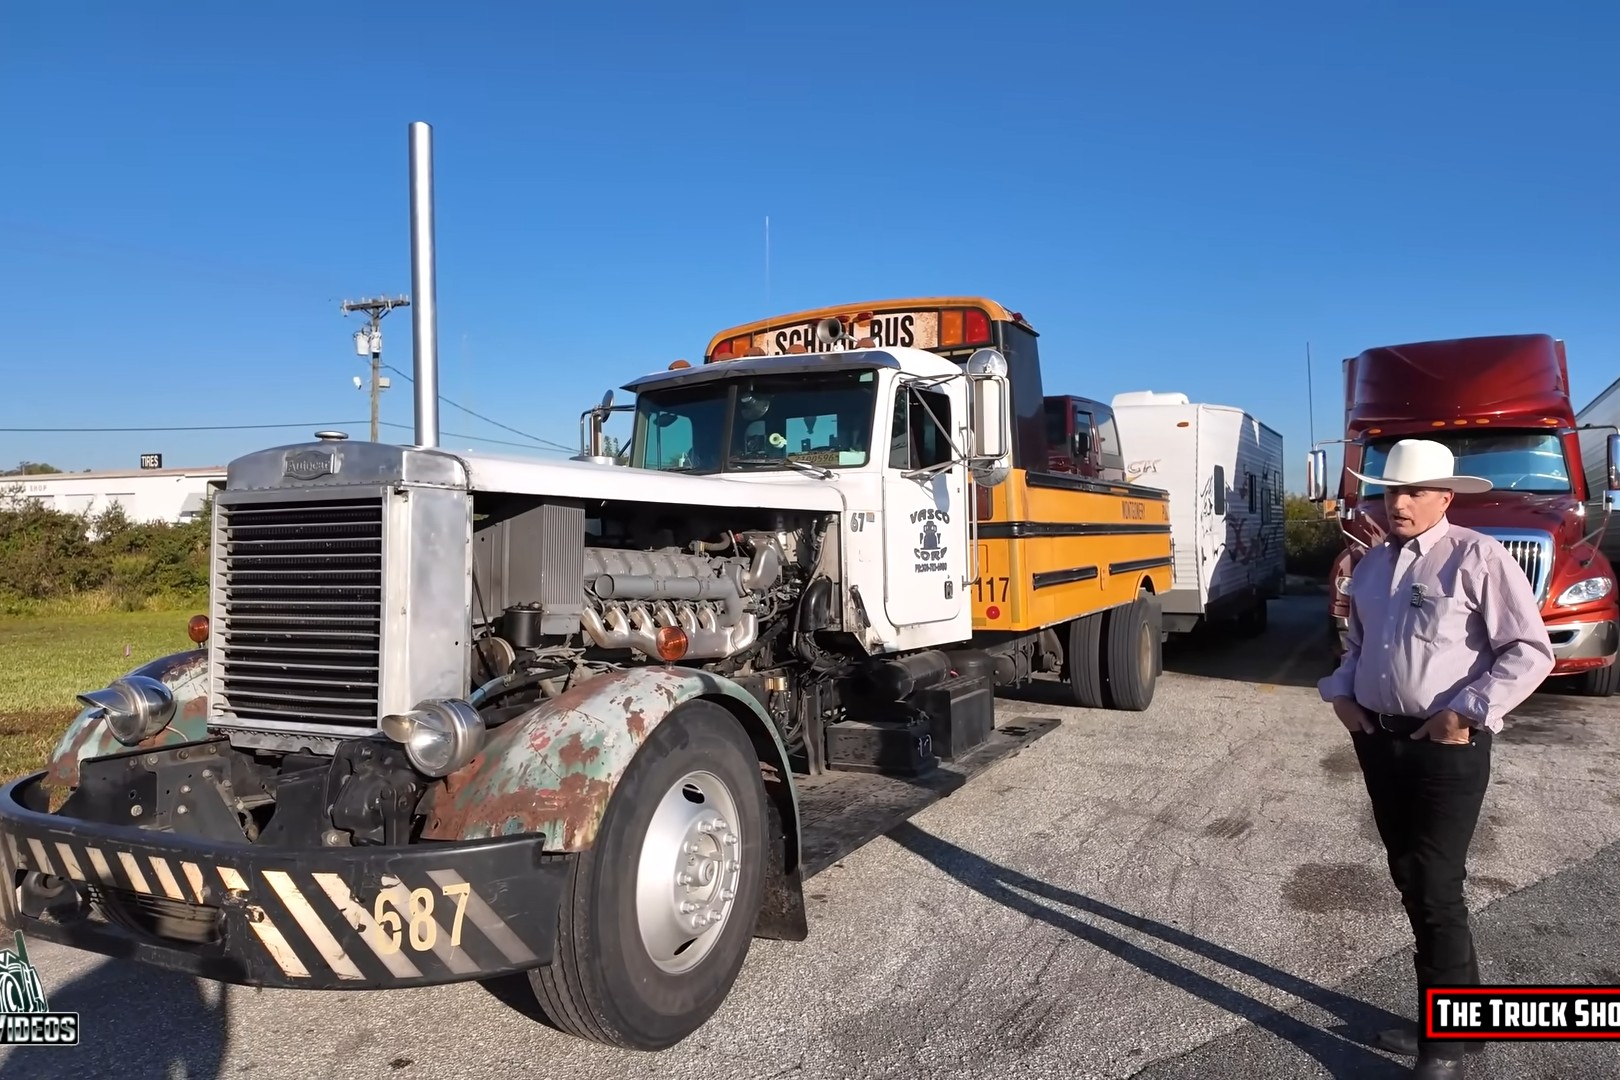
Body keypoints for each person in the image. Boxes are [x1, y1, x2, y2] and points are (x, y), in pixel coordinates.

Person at [1317, 438, 1555, 1079]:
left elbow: (1530, 650)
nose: (1401, 502)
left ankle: (1445, 1047)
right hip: (1379, 740)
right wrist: (1342, 697)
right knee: (1409, 875)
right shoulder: (1369, 567)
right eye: (1392, 490)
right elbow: (1355, 645)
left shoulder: (1478, 557)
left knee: (1435, 886)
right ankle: (1458, 1022)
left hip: (1447, 745)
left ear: (1446, 498)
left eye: (1417, 491)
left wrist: (1467, 710)